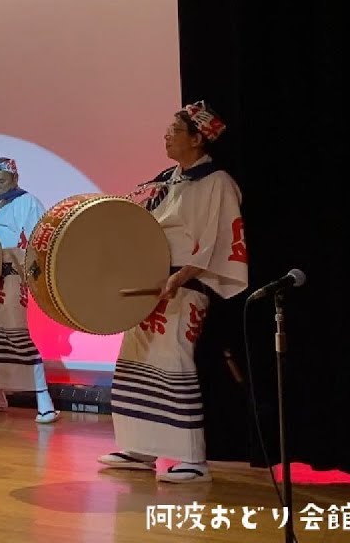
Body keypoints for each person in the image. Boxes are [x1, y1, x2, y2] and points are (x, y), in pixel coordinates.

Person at [98, 101, 248, 483]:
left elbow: (216, 241)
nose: (166, 136)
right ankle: (141, 448)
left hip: (184, 285)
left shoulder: (218, 182)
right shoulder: (168, 179)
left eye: (175, 131)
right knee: (136, 360)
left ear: (198, 139)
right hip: (150, 283)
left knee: (174, 362)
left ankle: (192, 458)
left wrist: (179, 277)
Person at [0, 157, 57, 423]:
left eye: (1, 181)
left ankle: (43, 398)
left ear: (15, 178)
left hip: (12, 275)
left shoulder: (27, 202)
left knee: (16, 334)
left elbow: (39, 243)